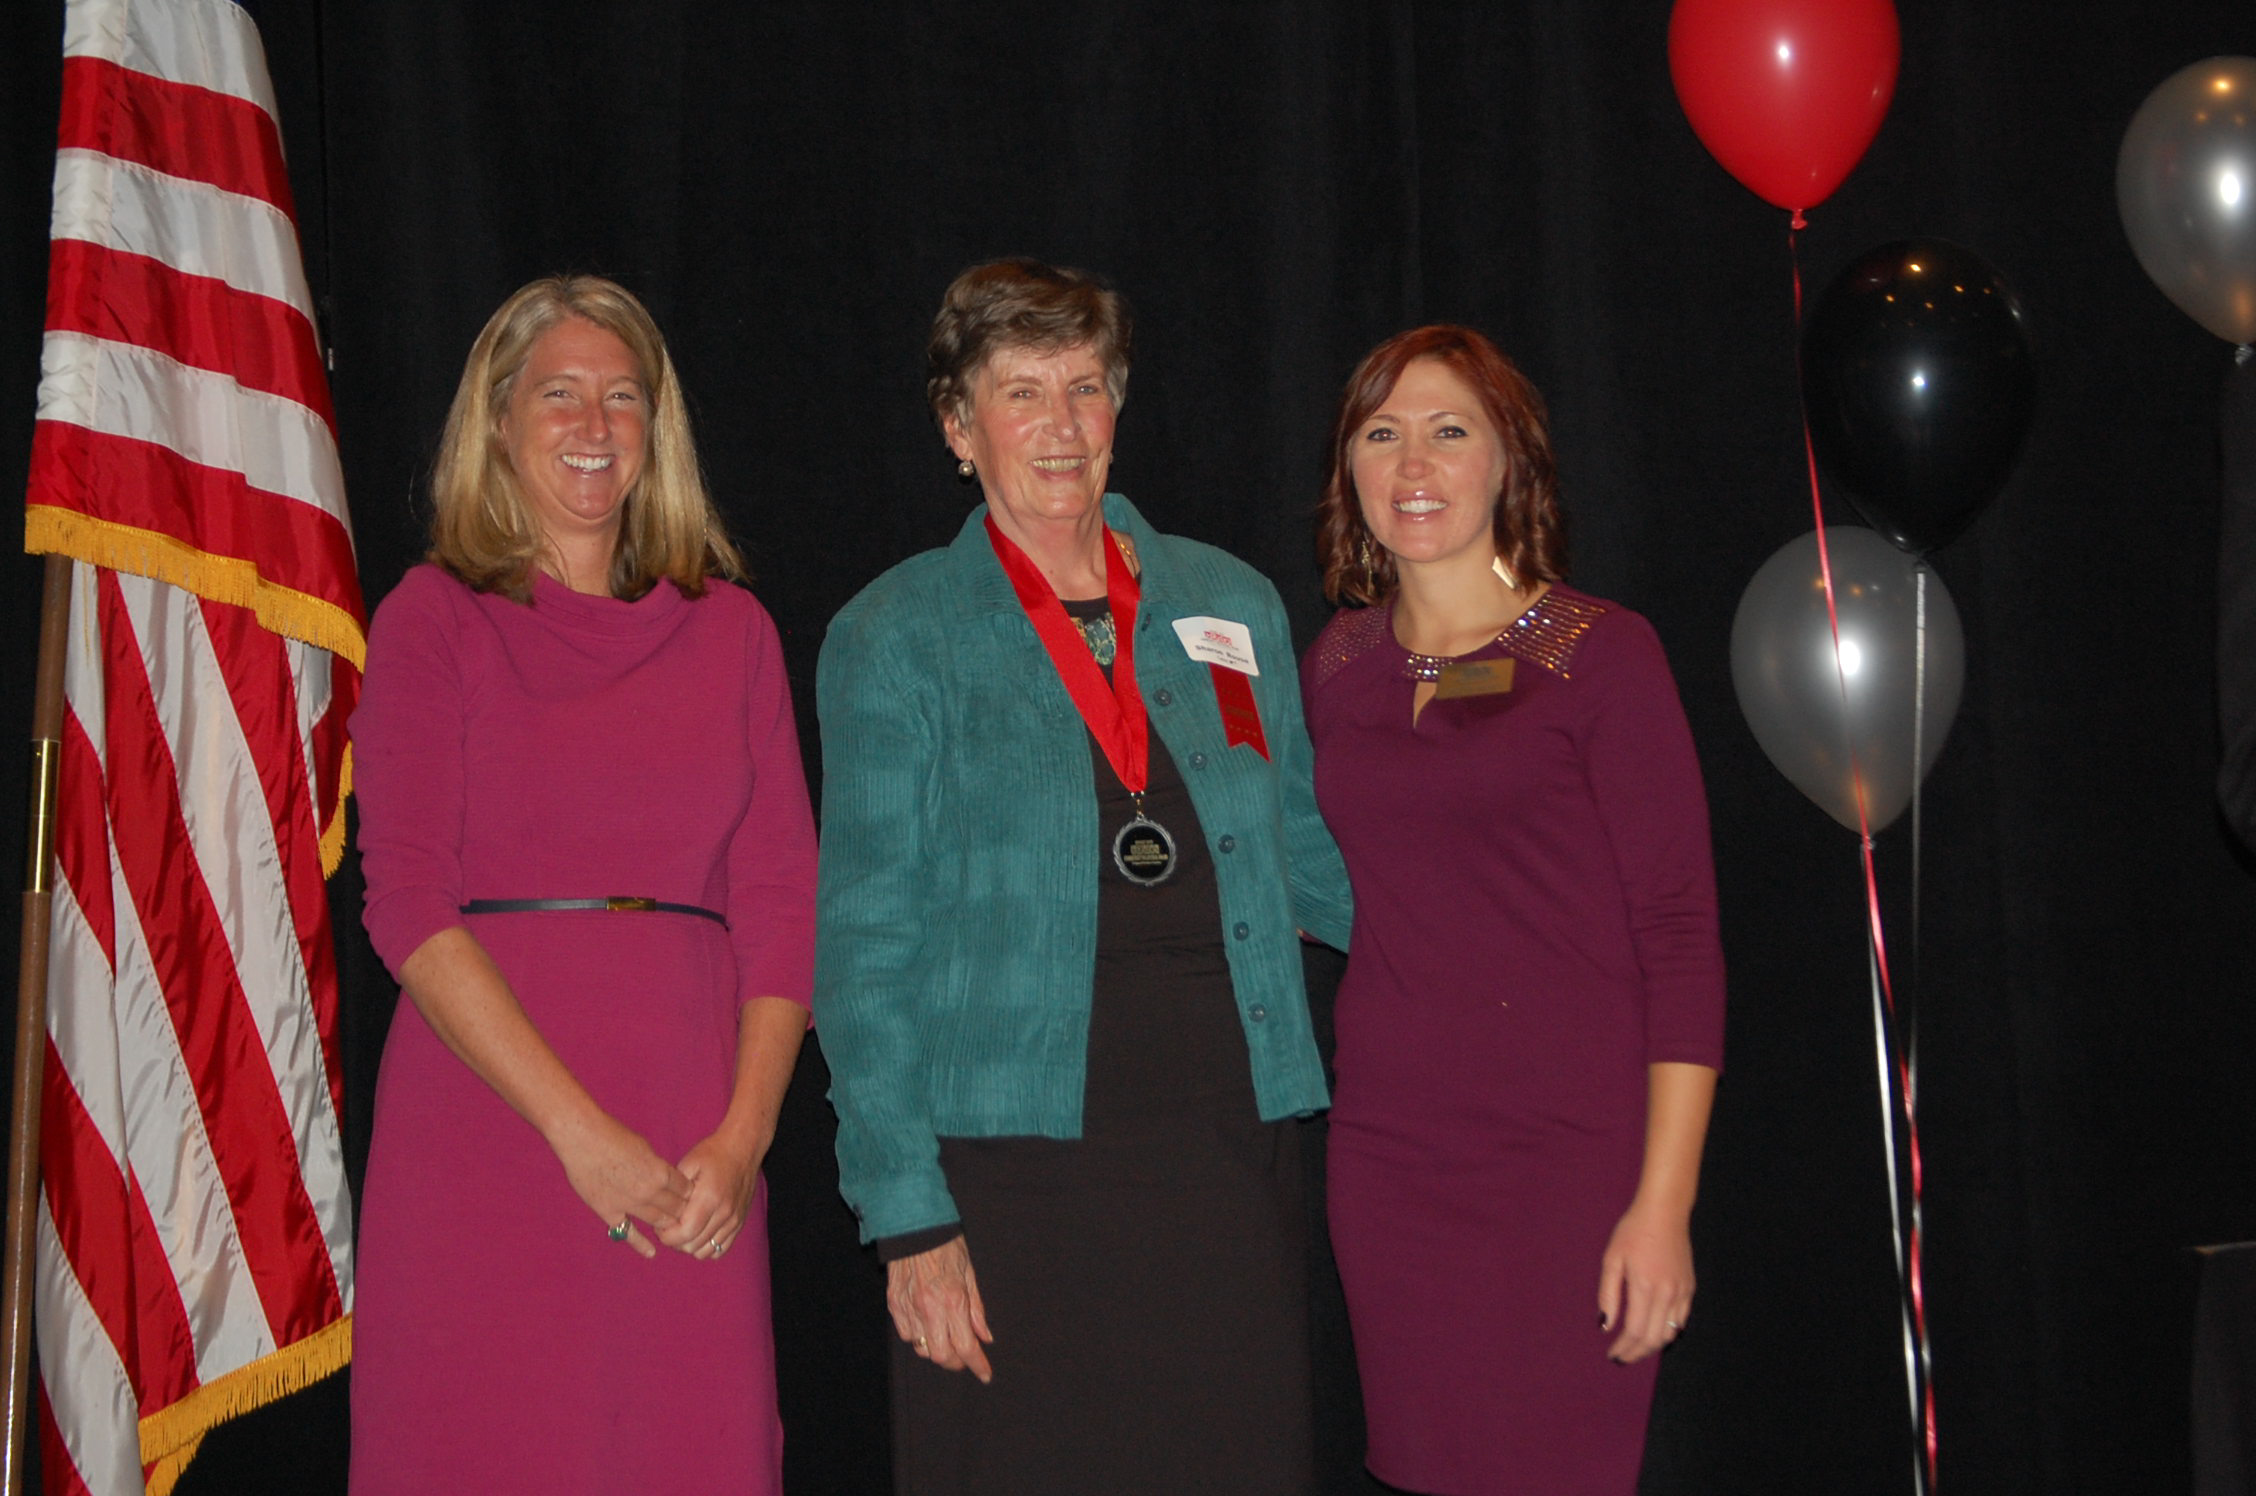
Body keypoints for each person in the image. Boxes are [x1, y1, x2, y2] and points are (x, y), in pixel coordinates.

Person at [813, 257, 1353, 1495]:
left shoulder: (1230, 601)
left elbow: (1307, 848)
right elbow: (863, 947)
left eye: (1086, 387)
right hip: (1009, 1173)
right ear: (959, 428)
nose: (1061, 426)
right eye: (1020, 393)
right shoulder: (893, 636)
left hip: (1230, 1149)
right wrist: (910, 1213)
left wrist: (1487, 960)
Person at [349, 275, 817, 1493]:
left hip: (695, 1143)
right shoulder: (431, 618)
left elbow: (782, 908)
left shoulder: (737, 634)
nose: (595, 426)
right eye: (559, 394)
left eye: (623, 397)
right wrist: (578, 1134)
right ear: (497, 422)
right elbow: (403, 900)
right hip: (489, 1131)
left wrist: (745, 1138)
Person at [1301, 325, 1725, 1496]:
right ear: (1350, 472)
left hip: (1569, 1166)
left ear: (1509, 461)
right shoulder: (1336, 664)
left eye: (1450, 430)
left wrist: (1663, 1202)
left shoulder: (1601, 652)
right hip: (1389, 1162)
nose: (1414, 464)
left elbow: (1682, 941)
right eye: (1380, 434)